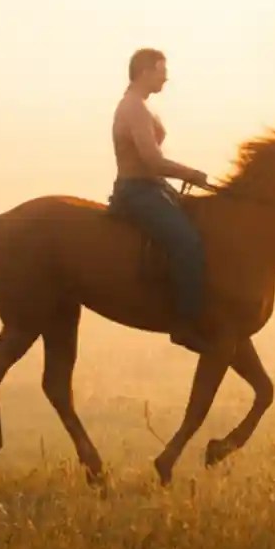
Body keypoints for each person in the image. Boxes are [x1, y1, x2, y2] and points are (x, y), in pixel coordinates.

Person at [108, 48, 210, 352]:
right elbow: (151, 160)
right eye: (161, 70)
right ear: (144, 72)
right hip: (138, 190)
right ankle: (185, 323)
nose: (166, 77)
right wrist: (189, 173)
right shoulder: (134, 109)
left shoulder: (140, 106)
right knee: (187, 243)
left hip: (152, 186)